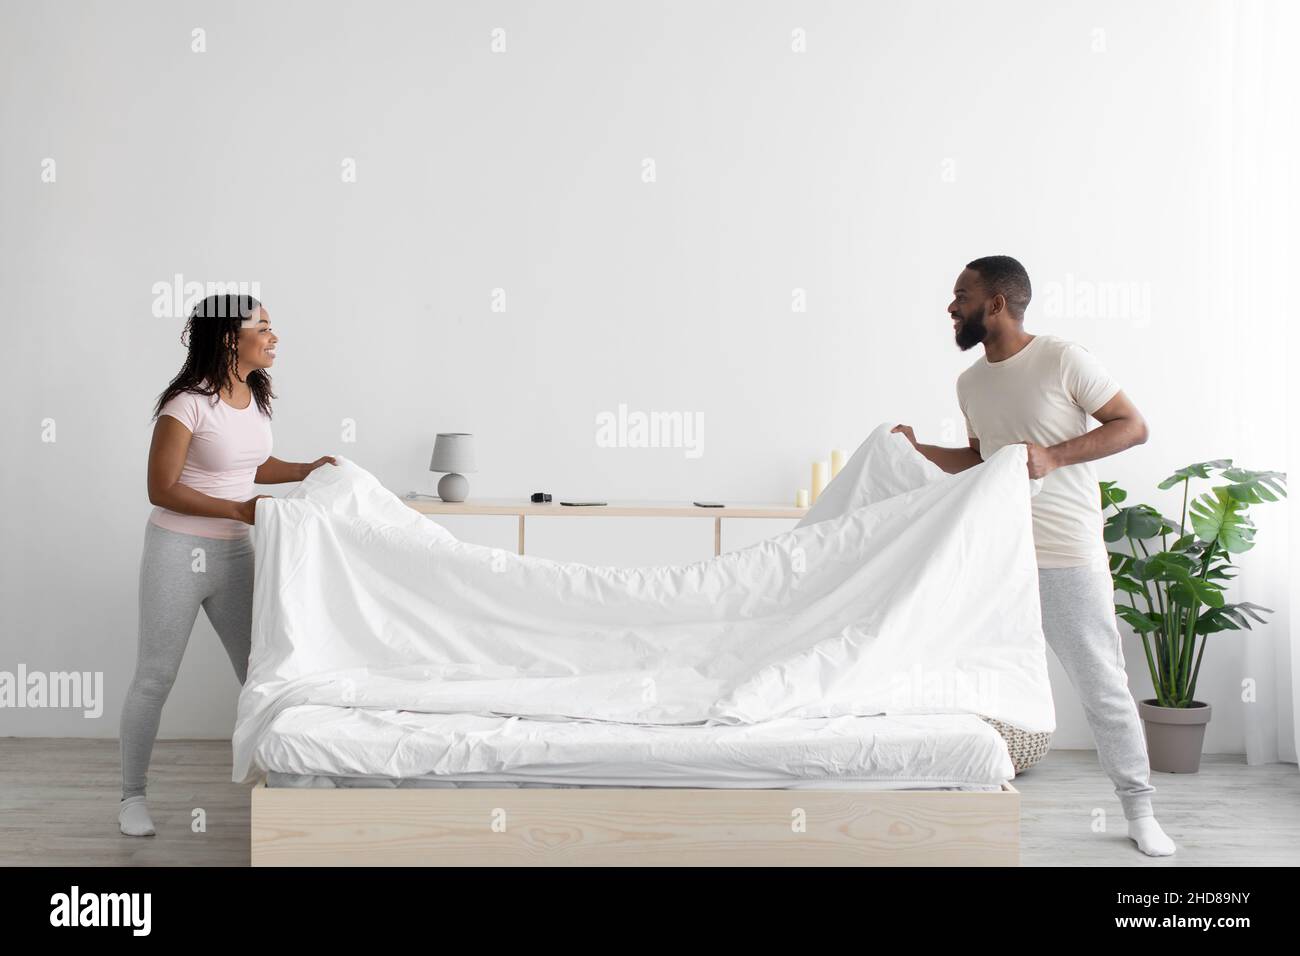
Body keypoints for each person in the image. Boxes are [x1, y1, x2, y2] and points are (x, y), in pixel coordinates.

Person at [893, 255, 1176, 857]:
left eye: (961, 295)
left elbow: (1132, 426)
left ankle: (1139, 808)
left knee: (1102, 685)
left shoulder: (1062, 359)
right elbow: (981, 460)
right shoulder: (970, 383)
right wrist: (920, 451)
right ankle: (960, 799)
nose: (951, 306)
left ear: (995, 303)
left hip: (1066, 555)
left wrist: (1056, 456)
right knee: (960, 677)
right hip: (998, 554)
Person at [118, 294, 336, 836]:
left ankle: (288, 778)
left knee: (260, 673)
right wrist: (238, 508)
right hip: (178, 551)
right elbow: (161, 487)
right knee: (155, 677)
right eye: (261, 324)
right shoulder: (186, 403)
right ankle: (132, 798)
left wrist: (307, 468)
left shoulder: (255, 396)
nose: (273, 333)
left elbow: (253, 465)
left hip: (236, 552)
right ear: (228, 337)